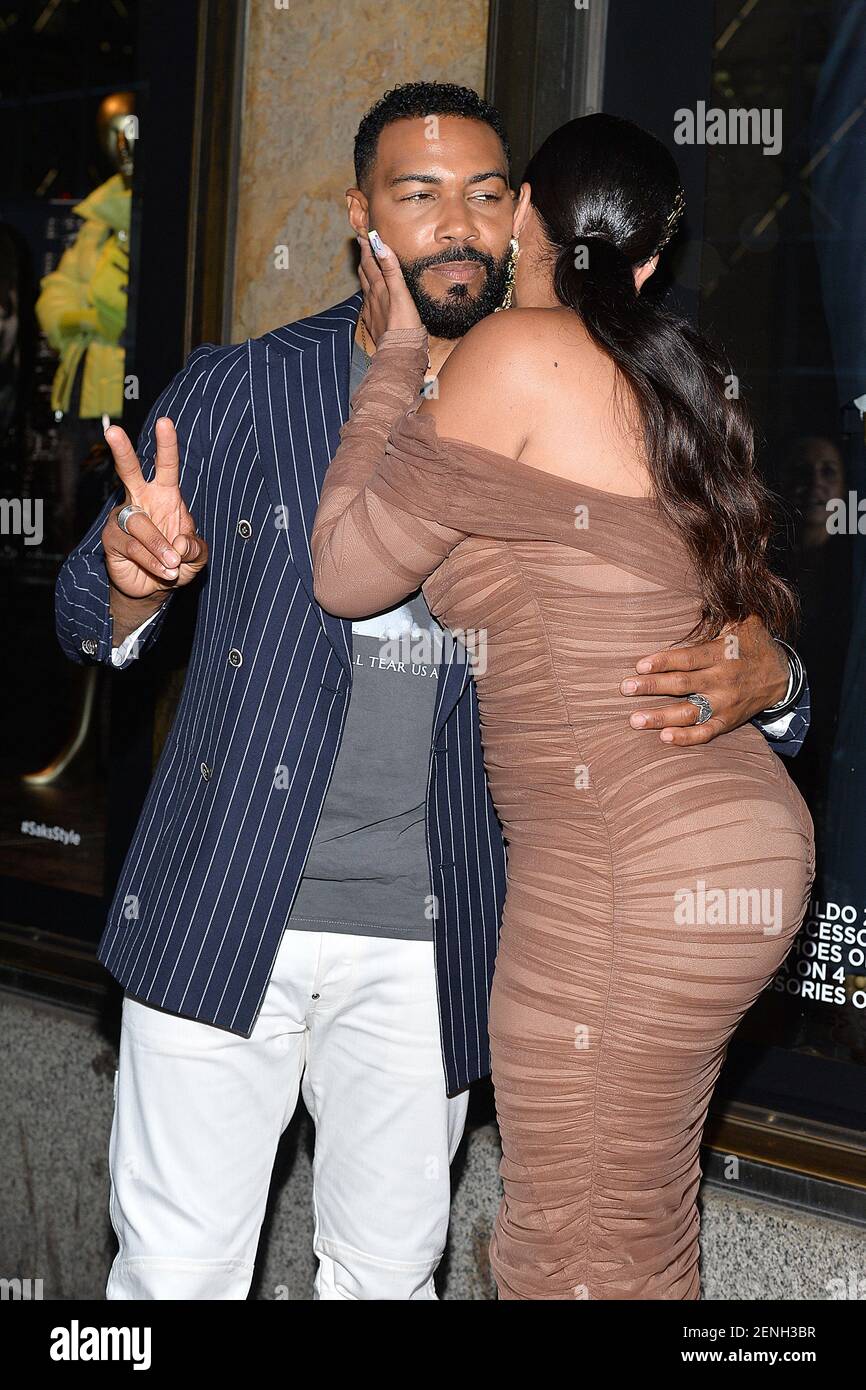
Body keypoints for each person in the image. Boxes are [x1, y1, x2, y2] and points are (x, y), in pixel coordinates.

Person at [55, 85, 809, 1301]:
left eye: (486, 193)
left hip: (443, 927)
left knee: (393, 1274)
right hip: (230, 902)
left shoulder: (605, 383)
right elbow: (85, 620)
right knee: (177, 1276)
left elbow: (715, 615)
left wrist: (775, 676)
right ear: (360, 217)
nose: (456, 223)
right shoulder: (245, 387)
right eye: (418, 193)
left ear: (527, 219)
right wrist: (134, 577)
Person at [310, 111, 816, 1300]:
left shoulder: (514, 355)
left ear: (527, 214)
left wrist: (392, 361)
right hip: (730, 840)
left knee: (571, 1251)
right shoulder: (676, 383)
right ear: (644, 265)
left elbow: (342, 572)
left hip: (618, 867)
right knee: (632, 1225)